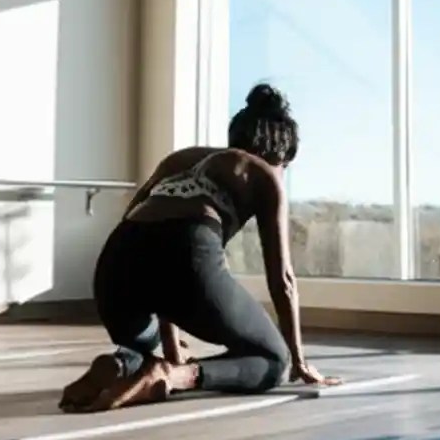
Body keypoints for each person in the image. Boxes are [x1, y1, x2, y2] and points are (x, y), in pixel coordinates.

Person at [59, 84, 339, 413]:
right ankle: (174, 376)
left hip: (116, 265)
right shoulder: (263, 175)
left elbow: (146, 243)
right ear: (279, 153)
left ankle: (121, 364)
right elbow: (283, 281)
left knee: (143, 342)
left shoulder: (179, 159)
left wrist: (172, 346)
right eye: (286, 166)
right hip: (186, 252)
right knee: (273, 359)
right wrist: (299, 360)